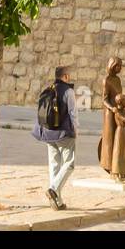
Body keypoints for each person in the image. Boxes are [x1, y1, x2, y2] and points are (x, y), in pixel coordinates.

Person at [32, 65, 77, 210]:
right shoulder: (68, 91)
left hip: (48, 132)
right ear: (65, 76)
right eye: (68, 75)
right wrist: (75, 130)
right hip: (64, 133)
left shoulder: (49, 89)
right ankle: (53, 188)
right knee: (69, 164)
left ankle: (57, 202)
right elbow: (73, 113)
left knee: (54, 166)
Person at [99, 56, 123, 174]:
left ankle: (118, 163)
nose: (120, 68)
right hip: (110, 112)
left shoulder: (117, 80)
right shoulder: (106, 80)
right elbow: (104, 99)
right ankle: (108, 164)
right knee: (109, 138)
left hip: (118, 110)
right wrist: (112, 108)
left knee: (118, 137)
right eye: (118, 66)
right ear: (113, 65)